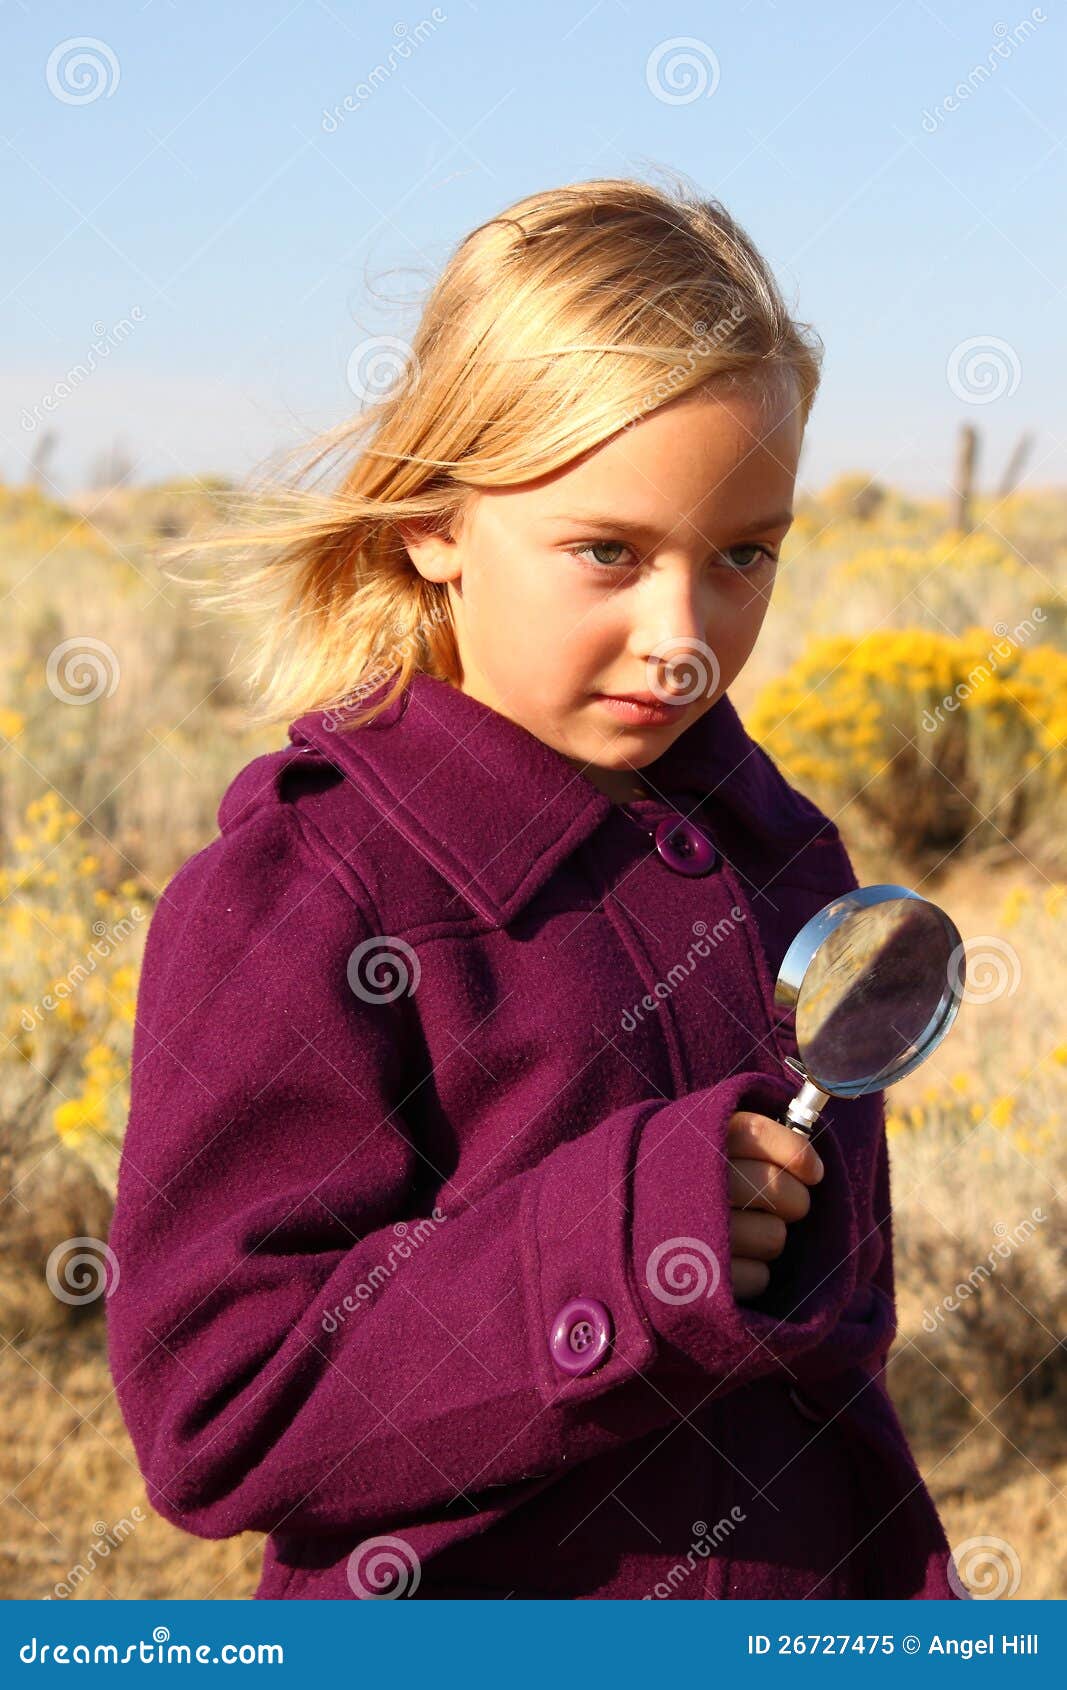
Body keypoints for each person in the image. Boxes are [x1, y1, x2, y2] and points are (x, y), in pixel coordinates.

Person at [105, 176, 961, 1601]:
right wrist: (633, 1244)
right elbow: (218, 1403)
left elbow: (837, 1330)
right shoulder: (311, 889)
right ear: (435, 522)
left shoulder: (783, 853)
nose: (684, 639)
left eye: (745, 553)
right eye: (608, 553)